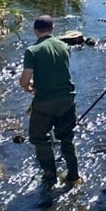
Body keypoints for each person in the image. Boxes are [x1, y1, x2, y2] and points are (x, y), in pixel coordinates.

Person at [18, 15, 79, 186]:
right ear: (52, 28)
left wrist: (28, 88)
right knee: (67, 137)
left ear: (35, 31)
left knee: (39, 138)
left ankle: (50, 175)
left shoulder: (32, 51)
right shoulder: (64, 46)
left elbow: (25, 80)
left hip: (45, 103)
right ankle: (73, 175)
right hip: (67, 99)